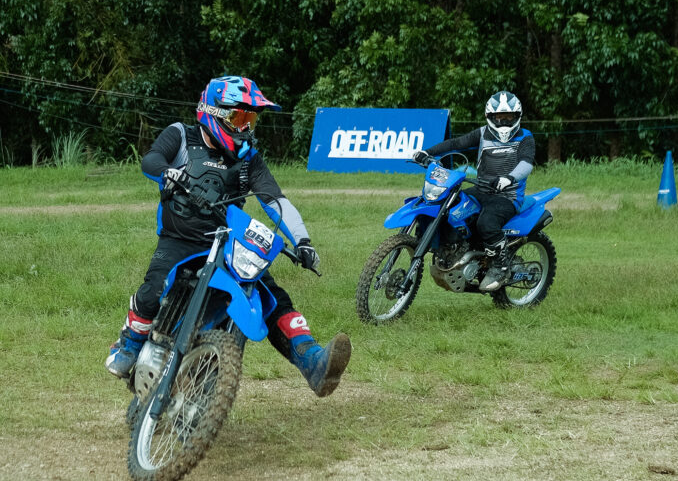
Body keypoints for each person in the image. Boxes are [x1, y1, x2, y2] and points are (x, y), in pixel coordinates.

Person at [106, 76, 352, 397]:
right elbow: (151, 160)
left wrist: (302, 241)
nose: (245, 127)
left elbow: (276, 200)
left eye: (250, 119)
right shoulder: (181, 135)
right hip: (179, 239)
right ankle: (131, 341)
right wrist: (168, 172)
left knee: (272, 297)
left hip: (226, 242)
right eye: (238, 117)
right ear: (212, 112)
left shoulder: (248, 158)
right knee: (154, 287)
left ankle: (314, 363)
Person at [411, 90, 534, 293]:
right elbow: (455, 143)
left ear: (517, 117)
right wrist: (427, 152)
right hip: (481, 189)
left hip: (508, 196)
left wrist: (509, 178)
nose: (503, 122)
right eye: (498, 118)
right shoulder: (483, 133)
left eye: (508, 117)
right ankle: (450, 250)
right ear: (490, 117)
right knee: (449, 206)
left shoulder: (525, 137)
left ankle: (501, 265)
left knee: (487, 223)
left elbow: (526, 163)